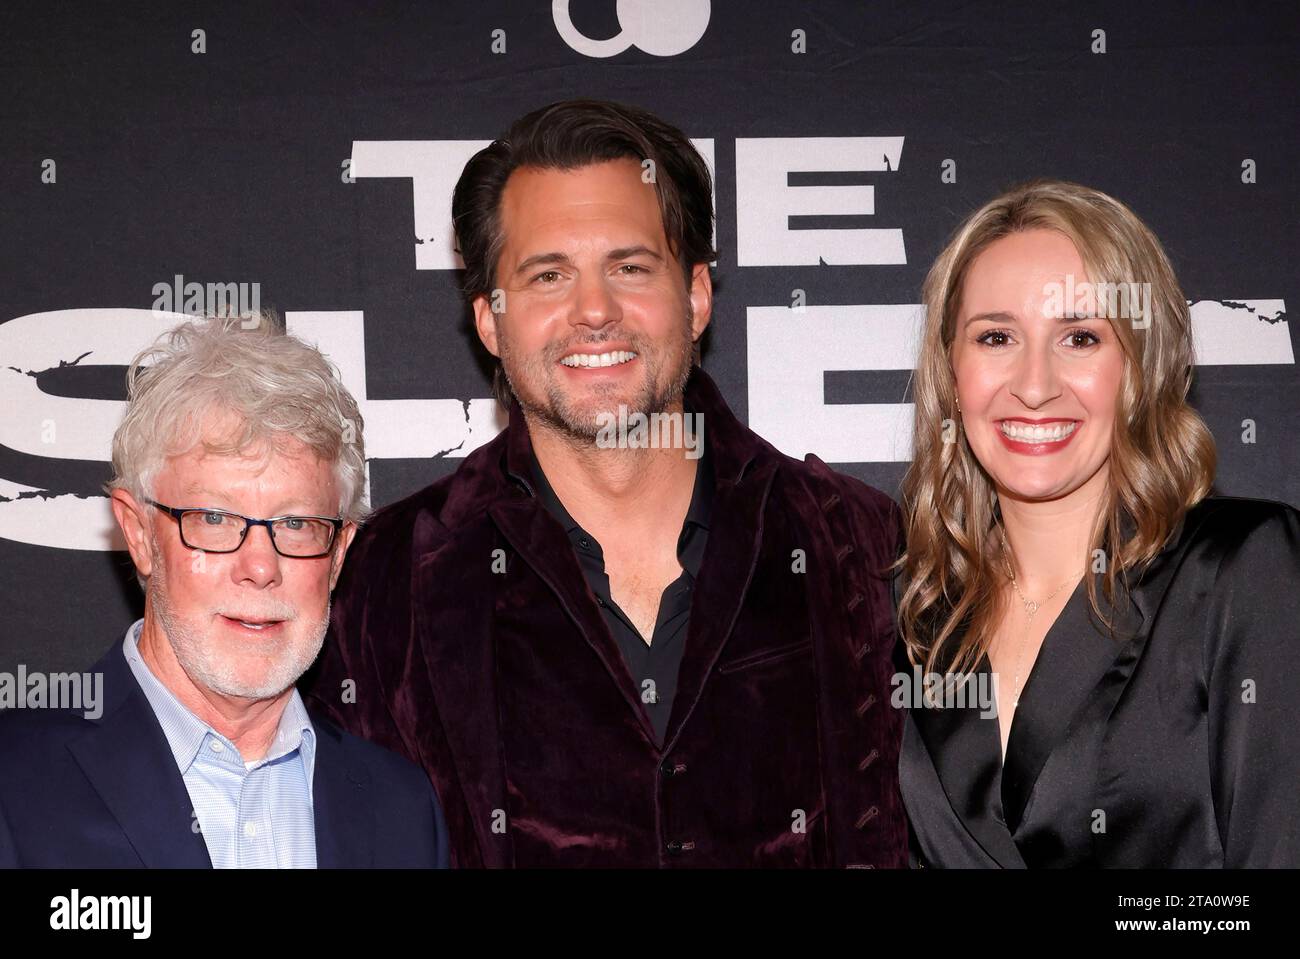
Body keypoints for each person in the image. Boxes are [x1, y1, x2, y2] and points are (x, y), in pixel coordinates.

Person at [303, 99, 907, 867]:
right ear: (491, 318)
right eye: (548, 275)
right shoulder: (384, 581)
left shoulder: (858, 545)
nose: (594, 310)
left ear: (695, 297)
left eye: (629, 267)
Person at [894, 179, 1300, 868]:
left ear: (1142, 362)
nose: (1034, 382)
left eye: (1079, 337)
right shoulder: (913, 615)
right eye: (996, 336)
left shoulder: (1241, 572)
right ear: (951, 373)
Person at [0, 313, 449, 868]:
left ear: (339, 554)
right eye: (214, 518)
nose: (260, 566)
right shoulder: (13, 784)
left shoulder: (403, 812)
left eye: (296, 524)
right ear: (139, 535)